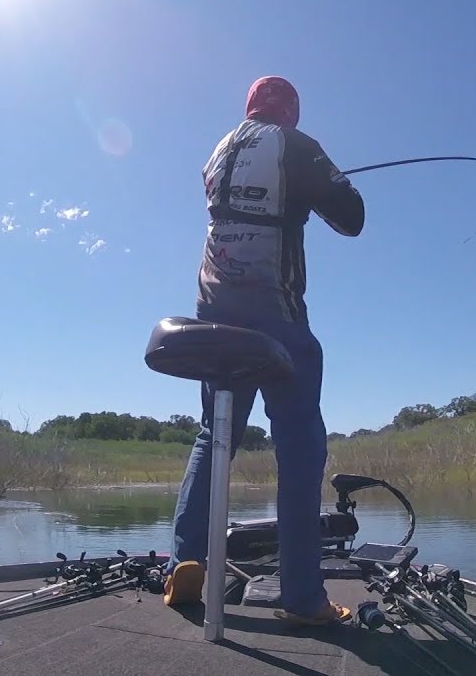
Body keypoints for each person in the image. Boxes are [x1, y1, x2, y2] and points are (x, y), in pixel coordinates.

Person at [163, 76, 365, 626]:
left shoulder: (218, 150)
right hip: (275, 319)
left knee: (214, 435)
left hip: (212, 318)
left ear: (249, 109)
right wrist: (329, 183)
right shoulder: (298, 146)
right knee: (299, 444)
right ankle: (303, 597)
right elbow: (353, 218)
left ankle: (186, 562)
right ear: (291, 114)